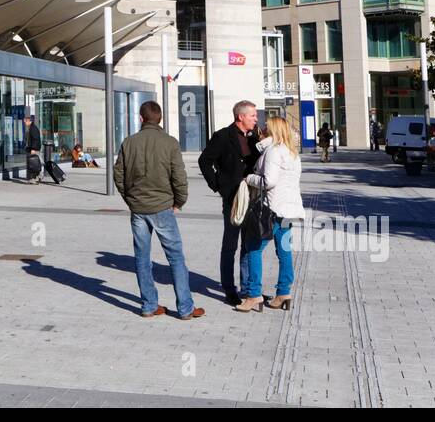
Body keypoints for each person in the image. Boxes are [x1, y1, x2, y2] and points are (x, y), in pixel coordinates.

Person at [113, 100, 203, 320]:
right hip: (163, 207)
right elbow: (179, 177)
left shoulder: (128, 142)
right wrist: (179, 202)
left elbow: (118, 175)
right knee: (175, 258)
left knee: (142, 258)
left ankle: (149, 305)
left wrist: (130, 199)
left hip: (138, 208)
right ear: (160, 119)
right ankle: (185, 308)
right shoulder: (170, 143)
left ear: (141, 118)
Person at [237, 115, 304, 312]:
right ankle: (283, 292)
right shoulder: (292, 153)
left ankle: (253, 295)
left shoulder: (274, 151)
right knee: (284, 251)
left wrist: (249, 178)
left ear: (273, 130)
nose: (263, 130)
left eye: (266, 127)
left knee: (253, 248)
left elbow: (269, 182)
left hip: (273, 209)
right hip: (289, 209)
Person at [198, 100, 260, 306]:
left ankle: (247, 288)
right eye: (253, 115)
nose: (256, 118)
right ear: (240, 116)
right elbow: (204, 161)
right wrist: (218, 185)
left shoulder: (254, 138)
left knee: (249, 244)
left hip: (253, 197)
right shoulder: (223, 136)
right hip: (232, 197)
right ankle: (228, 288)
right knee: (230, 245)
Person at [23, 113, 43, 184]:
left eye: (25, 122)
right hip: (32, 149)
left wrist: (33, 149)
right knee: (35, 164)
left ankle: (37, 177)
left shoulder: (33, 128)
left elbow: (35, 139)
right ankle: (38, 177)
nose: (25, 123)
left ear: (28, 121)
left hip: (34, 149)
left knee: (34, 164)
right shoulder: (31, 128)